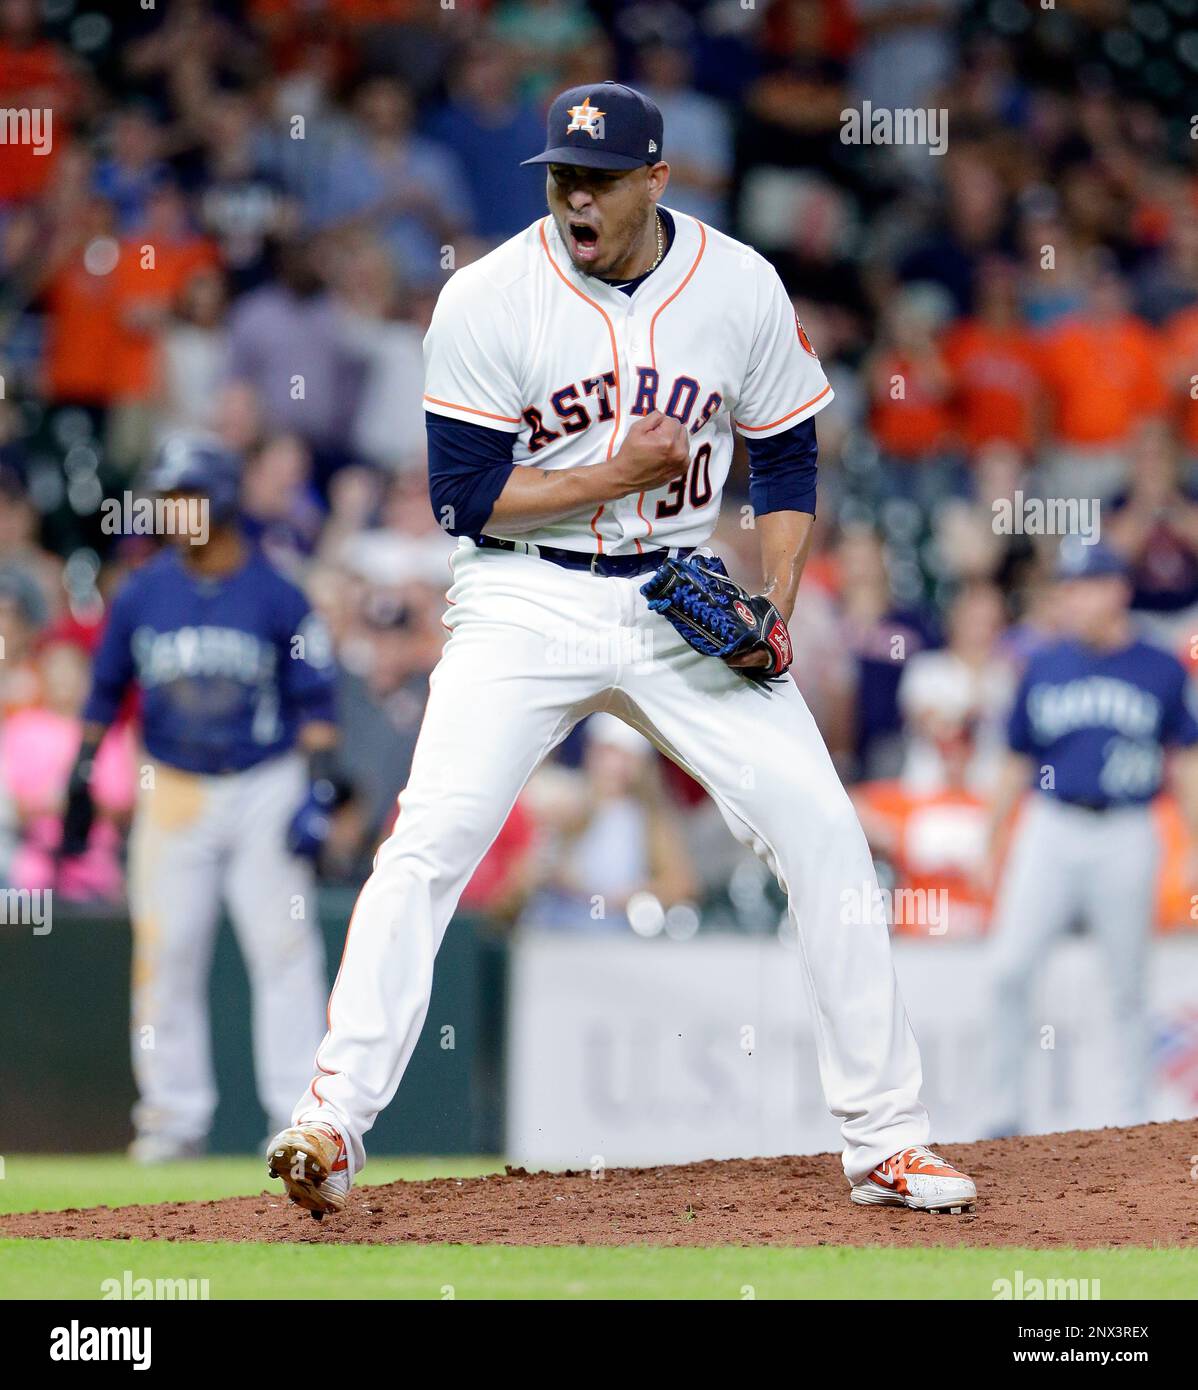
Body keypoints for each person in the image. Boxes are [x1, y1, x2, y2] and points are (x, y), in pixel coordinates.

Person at [267, 80, 976, 1219]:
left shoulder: (738, 281)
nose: (575, 198)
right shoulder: (489, 294)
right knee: (428, 840)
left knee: (827, 837)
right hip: (522, 602)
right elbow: (463, 499)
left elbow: (787, 457)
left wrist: (776, 601)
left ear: (658, 178)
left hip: (676, 596)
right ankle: (333, 1120)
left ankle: (886, 1139)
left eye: (598, 178)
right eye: (560, 177)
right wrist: (611, 473)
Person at [62, 435, 348, 1161]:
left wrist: (316, 788)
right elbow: (103, 690)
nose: (170, 510)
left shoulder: (277, 591)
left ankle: (298, 1122)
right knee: (167, 952)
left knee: (283, 953)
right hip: (173, 783)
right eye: (166, 497)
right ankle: (171, 1119)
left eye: (183, 495)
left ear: (218, 499)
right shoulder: (142, 592)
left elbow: (315, 700)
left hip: (264, 782)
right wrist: (85, 766)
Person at [982, 539, 1198, 1134]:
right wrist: (992, 835)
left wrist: (1195, 845)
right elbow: (1017, 759)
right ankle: (1003, 1116)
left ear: (1117, 591)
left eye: (1084, 586)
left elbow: (1184, 763)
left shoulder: (1159, 667)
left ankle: (1132, 1122)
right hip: (1050, 828)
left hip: (1128, 830)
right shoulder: (1045, 663)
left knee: (1128, 984)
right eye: (1068, 588)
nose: (1072, 598)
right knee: (1007, 969)